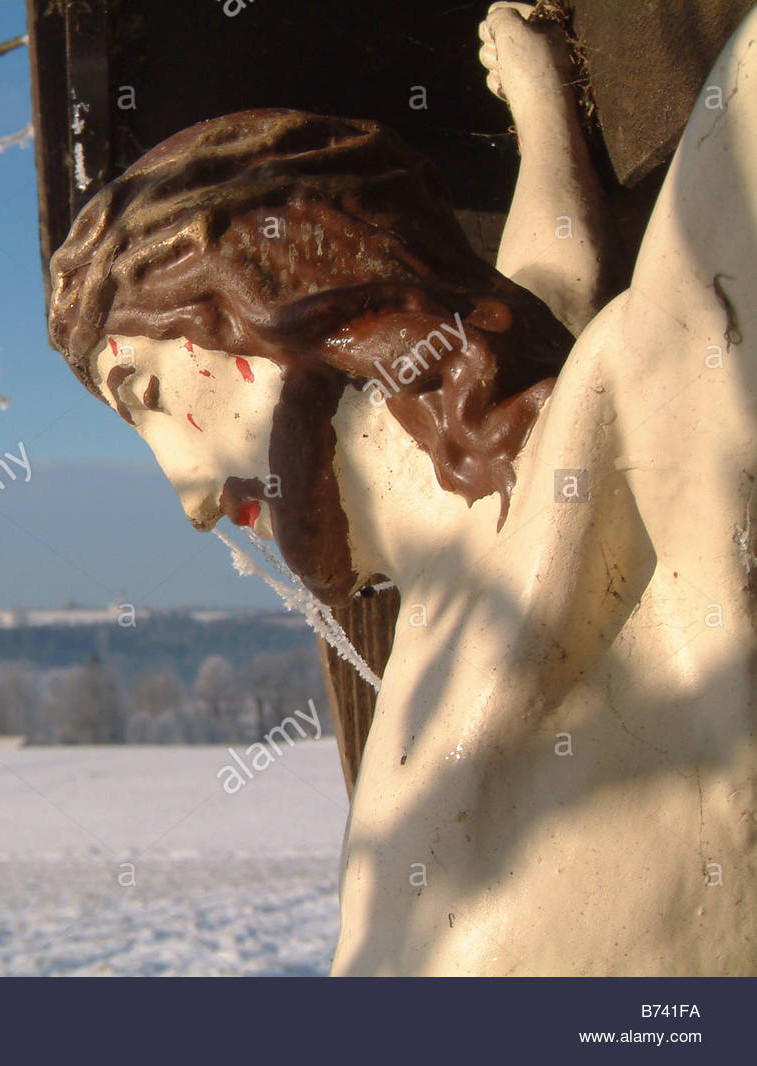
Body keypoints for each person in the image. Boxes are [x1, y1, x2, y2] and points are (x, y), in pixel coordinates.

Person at [48, 1, 757, 975]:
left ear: (270, 285)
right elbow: (546, 281)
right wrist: (537, 96)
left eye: (151, 395)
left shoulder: (617, 444)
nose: (190, 497)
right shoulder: (453, 593)